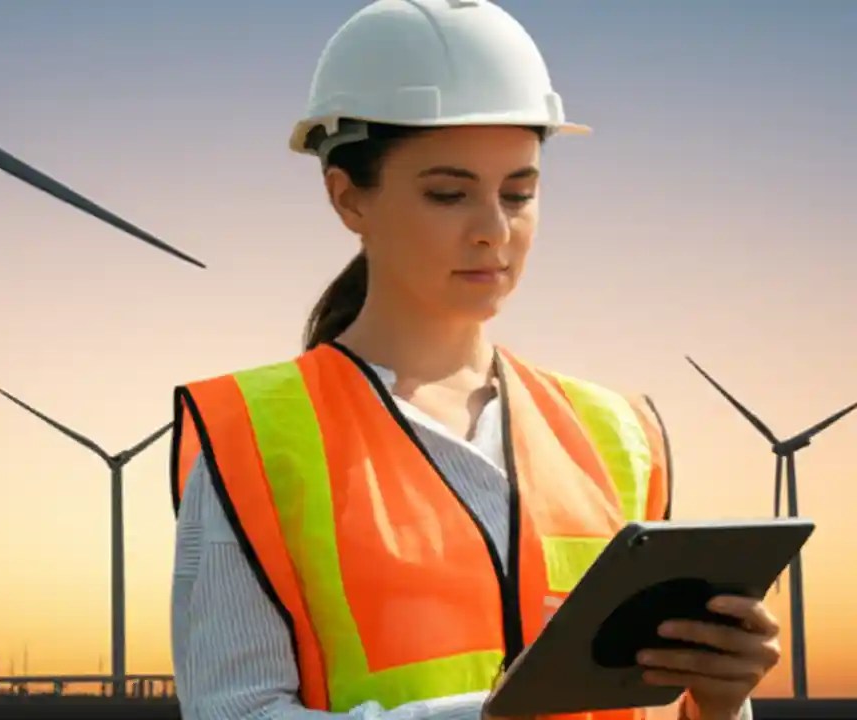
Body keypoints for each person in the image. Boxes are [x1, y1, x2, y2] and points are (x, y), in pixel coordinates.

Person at [167, 1, 781, 719]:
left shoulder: (621, 434)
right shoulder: (251, 438)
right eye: (448, 194)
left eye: (519, 194)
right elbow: (232, 712)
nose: (494, 230)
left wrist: (718, 701)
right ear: (346, 198)